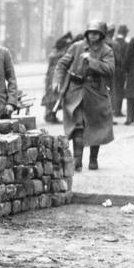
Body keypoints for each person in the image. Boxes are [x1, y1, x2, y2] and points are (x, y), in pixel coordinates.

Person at [53, 20, 114, 171]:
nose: (93, 36)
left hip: (95, 91)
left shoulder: (106, 50)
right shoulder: (76, 47)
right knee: (77, 125)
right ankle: (77, 160)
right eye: (90, 32)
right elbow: (62, 64)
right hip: (75, 90)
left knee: (96, 125)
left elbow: (110, 69)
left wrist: (92, 61)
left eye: (96, 33)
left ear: (102, 35)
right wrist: (57, 81)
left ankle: (93, 159)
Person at [42, 32, 74, 124]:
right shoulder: (60, 54)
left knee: (52, 96)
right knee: (54, 96)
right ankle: (50, 115)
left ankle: (50, 115)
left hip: (52, 76)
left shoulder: (54, 53)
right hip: (55, 76)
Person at [109, 24, 129, 118]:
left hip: (110, 69)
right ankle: (118, 110)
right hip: (120, 70)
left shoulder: (113, 42)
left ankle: (112, 109)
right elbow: (125, 58)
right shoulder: (125, 44)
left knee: (112, 90)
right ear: (125, 33)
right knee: (119, 90)